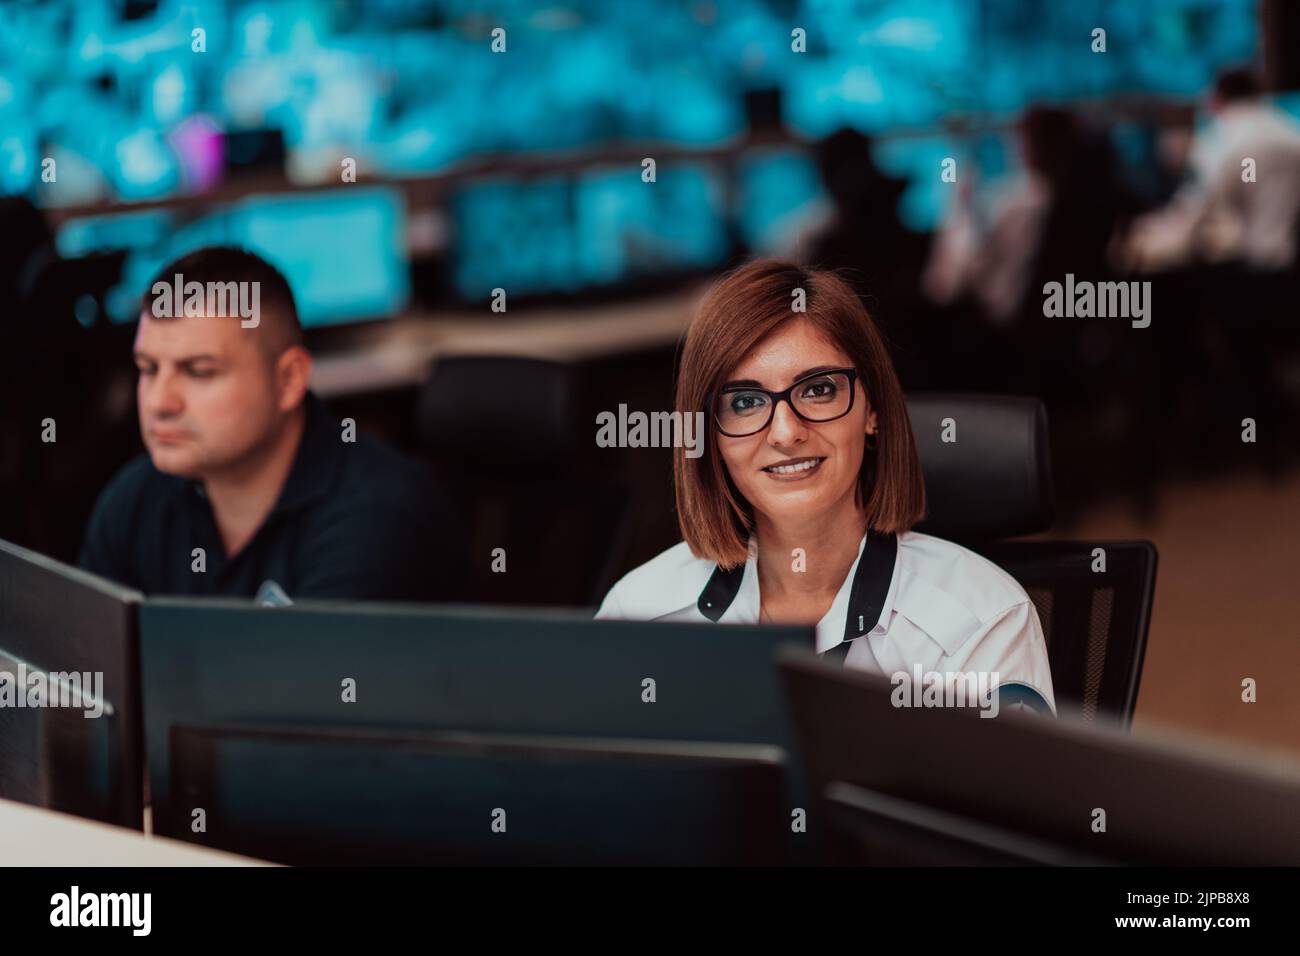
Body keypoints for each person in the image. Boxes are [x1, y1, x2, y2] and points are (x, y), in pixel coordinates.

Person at [597, 258, 1055, 714]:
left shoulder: (982, 624)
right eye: (746, 402)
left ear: (872, 409)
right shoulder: (641, 611)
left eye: (817, 390)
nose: (784, 432)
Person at [79, 246, 460, 602]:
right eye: (148, 369)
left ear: (289, 380)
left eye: (199, 372)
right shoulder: (136, 499)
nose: (160, 402)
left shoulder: (376, 519)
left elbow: (310, 676)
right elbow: (80, 660)